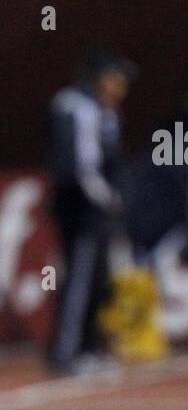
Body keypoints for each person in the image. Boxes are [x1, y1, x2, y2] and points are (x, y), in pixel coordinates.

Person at [46, 50, 136, 374]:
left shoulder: (107, 112)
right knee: (80, 280)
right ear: (99, 78)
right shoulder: (76, 106)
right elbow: (81, 168)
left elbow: (111, 163)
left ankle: (89, 349)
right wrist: (109, 200)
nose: (122, 86)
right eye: (117, 78)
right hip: (81, 209)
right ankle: (66, 353)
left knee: (99, 280)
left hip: (96, 206)